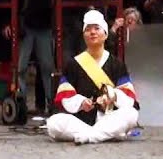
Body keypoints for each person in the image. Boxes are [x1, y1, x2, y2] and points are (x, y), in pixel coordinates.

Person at [46, 10, 139, 144]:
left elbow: (128, 96)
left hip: (109, 117)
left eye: (97, 28)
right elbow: (65, 95)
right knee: (54, 123)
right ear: (84, 35)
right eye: (88, 29)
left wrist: (112, 97)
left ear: (106, 34)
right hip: (81, 119)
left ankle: (88, 136)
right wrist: (81, 103)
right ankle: (101, 134)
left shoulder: (117, 64)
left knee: (131, 114)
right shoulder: (73, 64)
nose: (93, 32)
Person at [11, 0, 56, 115]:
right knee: (20, 66)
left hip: (44, 24)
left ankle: (50, 103)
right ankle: (20, 104)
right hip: (25, 24)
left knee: (47, 66)